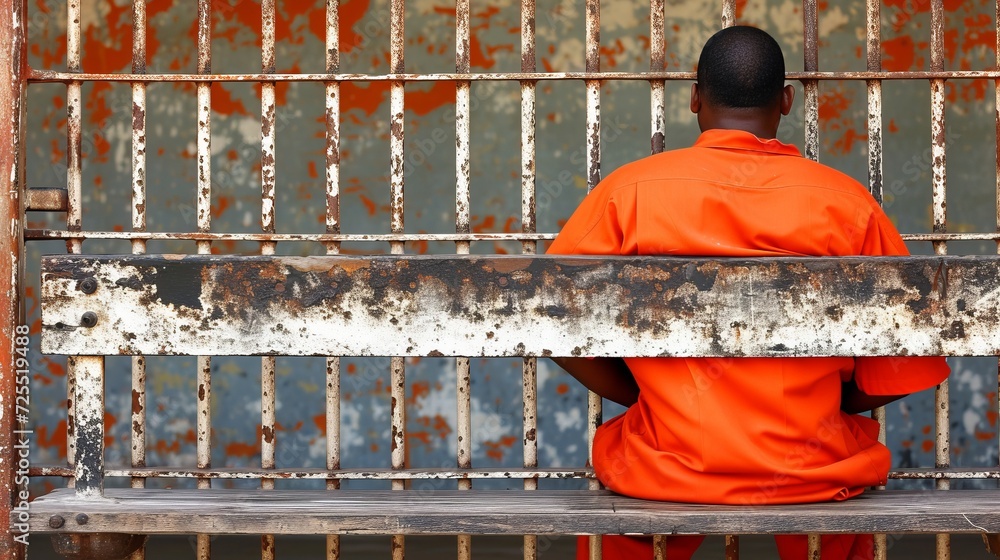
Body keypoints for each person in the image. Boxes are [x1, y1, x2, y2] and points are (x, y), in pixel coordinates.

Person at [546, 26, 951, 560]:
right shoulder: (846, 204)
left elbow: (548, 319)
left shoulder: (630, 193)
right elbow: (906, 359)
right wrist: (827, 403)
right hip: (811, 466)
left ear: (694, 98)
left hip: (667, 463)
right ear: (786, 100)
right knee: (839, 511)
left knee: (627, 507)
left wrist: (647, 397)